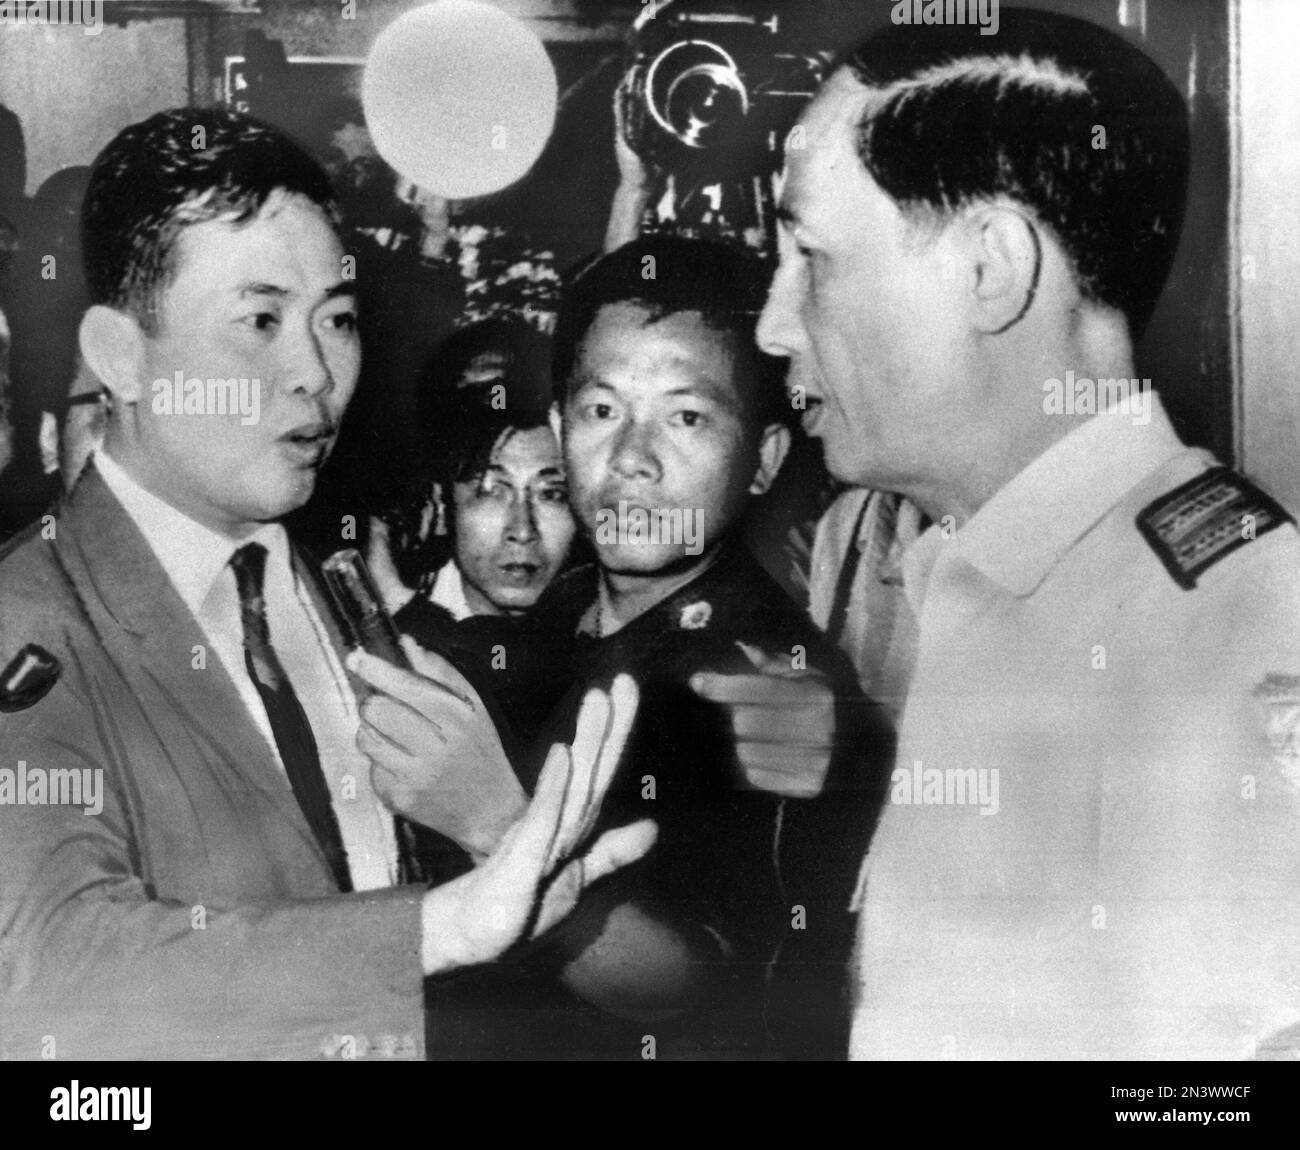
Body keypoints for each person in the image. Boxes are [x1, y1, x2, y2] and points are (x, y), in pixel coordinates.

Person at [0, 107, 654, 1060]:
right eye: (259, 321)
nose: (315, 372)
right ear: (121, 357)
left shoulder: (337, 591)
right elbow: (50, 982)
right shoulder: (30, 623)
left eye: (336, 321)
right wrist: (437, 929)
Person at [756, 8, 1300, 1060]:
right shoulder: (957, 580)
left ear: (990, 269)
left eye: (811, 258)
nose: (776, 324)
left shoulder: (1236, 630)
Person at [361, 236, 882, 1059]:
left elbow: (712, 995)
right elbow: (489, 660)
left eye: (685, 416)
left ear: (763, 459)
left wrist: (498, 826)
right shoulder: (568, 606)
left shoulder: (783, 692)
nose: (633, 460)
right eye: (603, 411)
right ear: (560, 426)